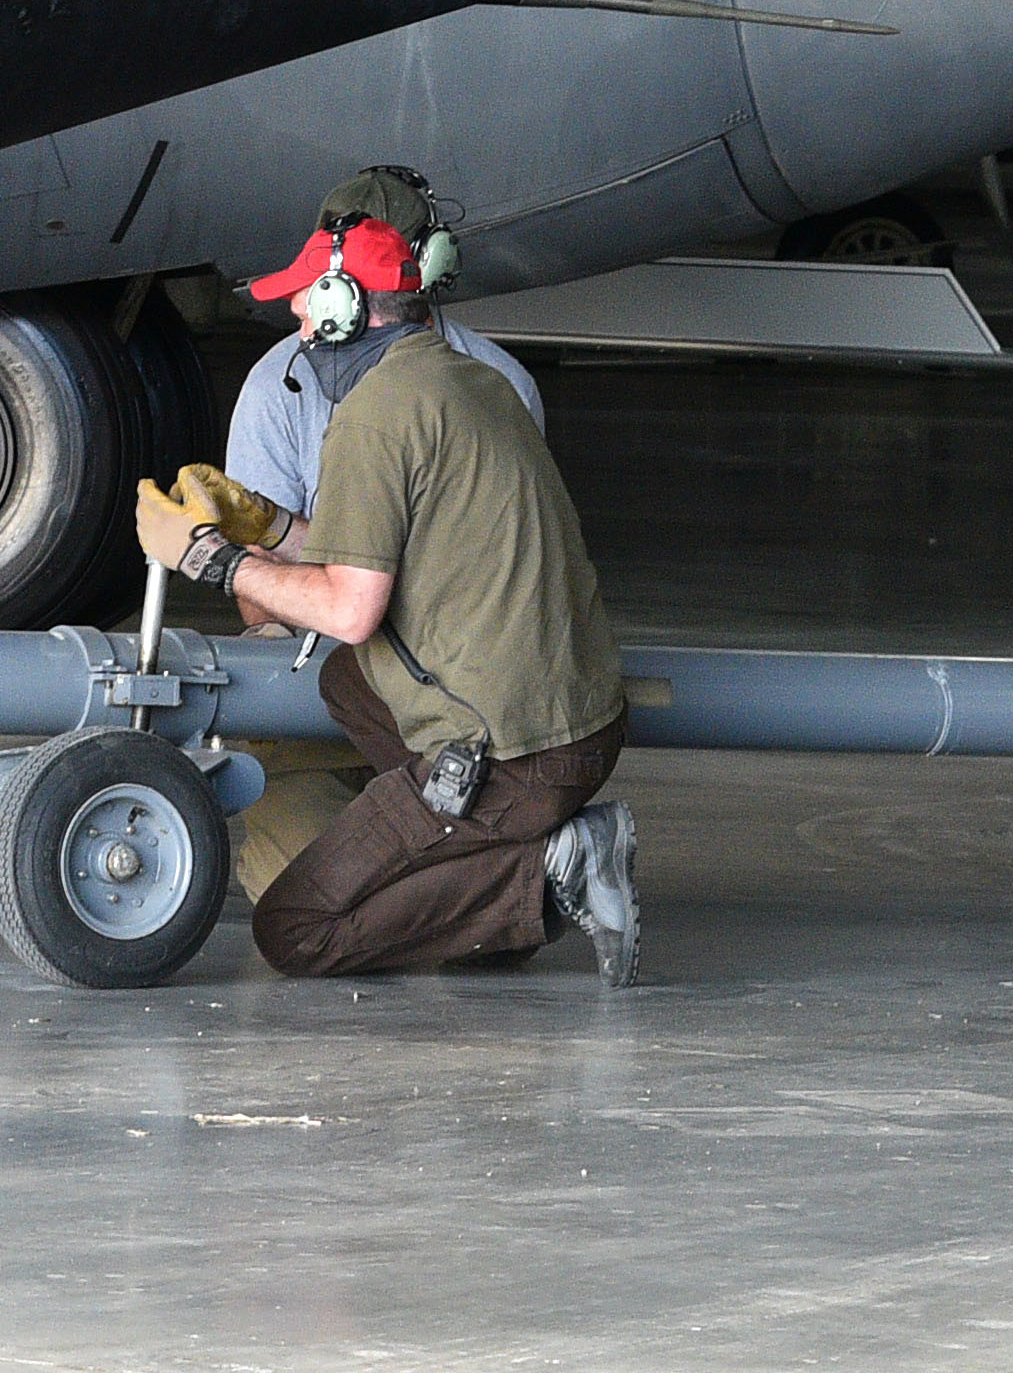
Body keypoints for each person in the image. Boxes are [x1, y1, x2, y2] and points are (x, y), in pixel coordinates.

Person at [137, 175, 640, 981]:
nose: (294, 322)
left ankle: (550, 863)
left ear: (341, 307)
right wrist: (261, 525)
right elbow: (376, 557)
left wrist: (205, 556)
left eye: (302, 305)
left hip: (517, 753)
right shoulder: (472, 378)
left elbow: (351, 607)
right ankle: (472, 840)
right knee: (348, 685)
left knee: (295, 928)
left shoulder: (371, 418)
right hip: (573, 712)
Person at [194, 165, 543, 902]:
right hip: (338, 693)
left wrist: (217, 562)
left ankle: (477, 881)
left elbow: (373, 604)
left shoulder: (478, 388)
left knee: (309, 906)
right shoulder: (279, 386)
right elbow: (271, 622)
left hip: (448, 706)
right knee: (320, 872)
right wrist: (274, 538)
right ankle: (483, 876)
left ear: (336, 292)